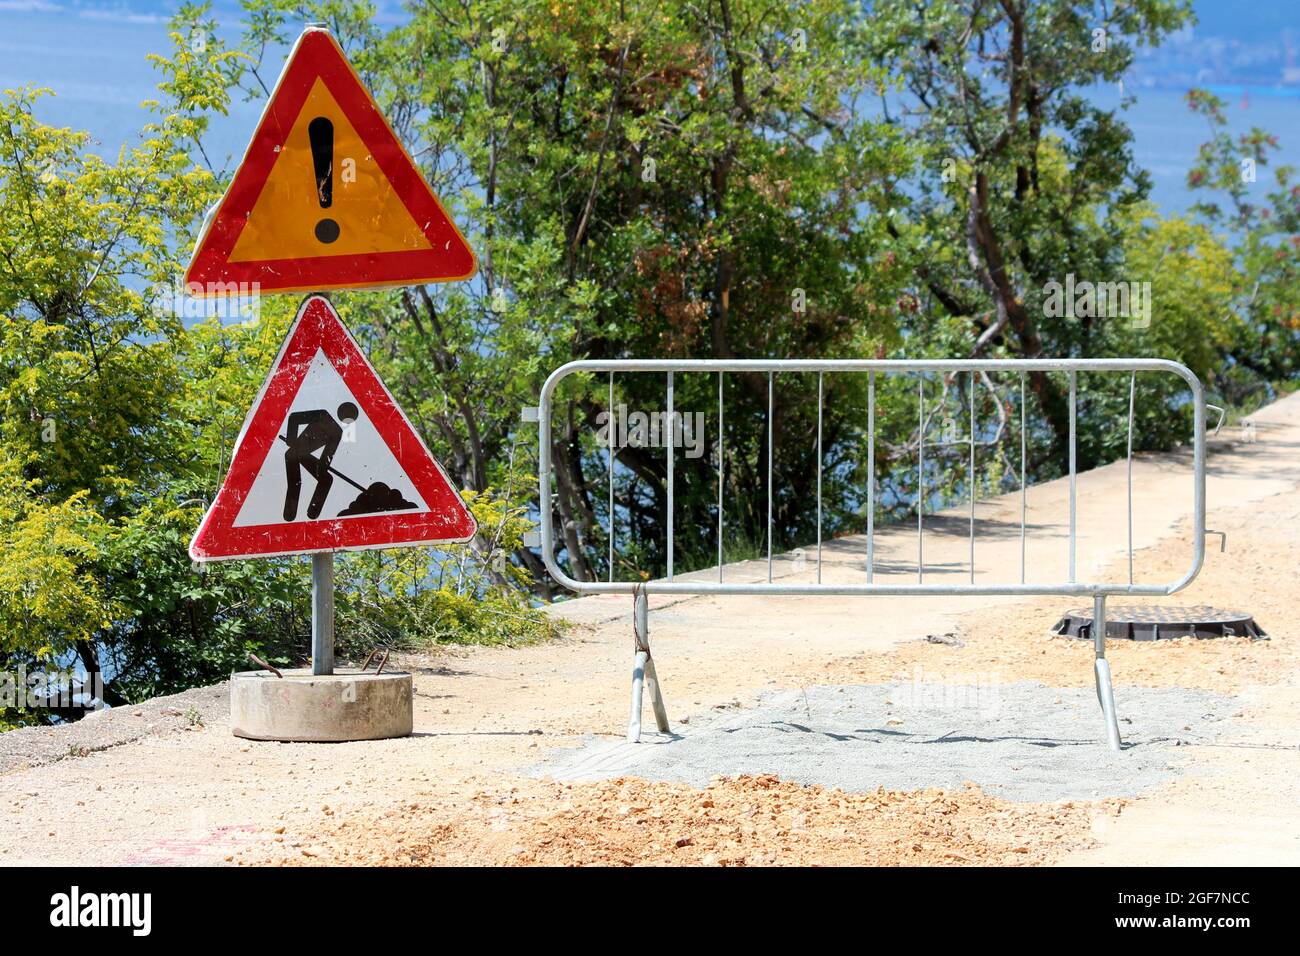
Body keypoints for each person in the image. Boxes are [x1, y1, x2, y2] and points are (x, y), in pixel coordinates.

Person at [282, 402, 358, 521]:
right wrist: (291, 439)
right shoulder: (322, 415)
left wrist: (323, 467)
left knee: (326, 479)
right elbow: (294, 418)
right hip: (293, 454)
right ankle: (289, 513)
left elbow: (328, 455)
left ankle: (313, 512)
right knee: (295, 482)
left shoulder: (337, 432)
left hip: (304, 455)